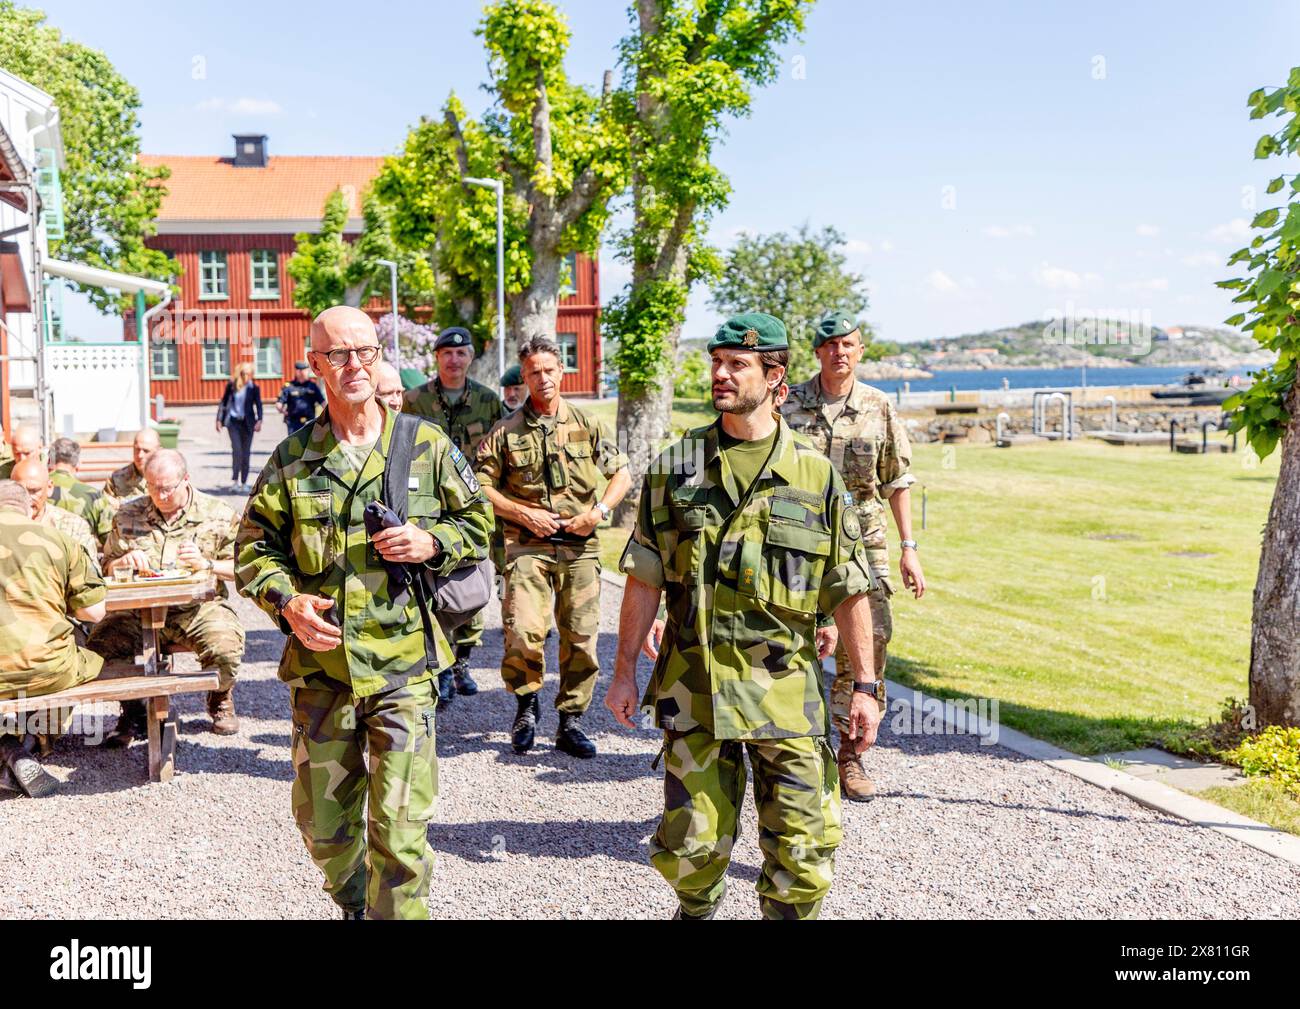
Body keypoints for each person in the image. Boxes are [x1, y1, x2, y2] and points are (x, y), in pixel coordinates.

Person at [606, 312, 881, 921]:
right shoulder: (677, 467)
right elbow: (644, 576)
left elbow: (851, 588)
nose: (721, 375)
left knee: (803, 852)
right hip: (695, 687)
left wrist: (865, 687)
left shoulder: (815, 476)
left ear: (776, 376)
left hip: (786, 696)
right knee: (690, 852)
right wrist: (623, 671)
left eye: (737, 365)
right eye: (716, 363)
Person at [236, 305, 493, 921]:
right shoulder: (295, 457)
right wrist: (287, 601)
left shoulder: (424, 445)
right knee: (325, 832)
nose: (354, 365)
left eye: (365, 352)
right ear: (315, 363)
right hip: (322, 672)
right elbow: (251, 550)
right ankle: (354, 903)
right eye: (339, 355)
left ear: (378, 358)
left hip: (403, 668)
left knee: (401, 835)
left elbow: (478, 524)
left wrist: (433, 542)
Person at [780, 310, 926, 801]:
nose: (840, 352)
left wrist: (909, 549)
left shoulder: (877, 406)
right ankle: (789, 746)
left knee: (869, 642)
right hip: (800, 537)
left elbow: (896, 480)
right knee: (788, 636)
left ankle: (850, 752)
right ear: (817, 351)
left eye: (849, 344)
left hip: (864, 541)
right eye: (830, 345)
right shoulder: (789, 403)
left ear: (860, 351)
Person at [475, 336, 631, 758]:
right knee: (524, 630)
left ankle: (571, 721)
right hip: (527, 546)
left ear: (561, 371)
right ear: (523, 378)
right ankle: (526, 706)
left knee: (580, 637)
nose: (542, 379)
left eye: (548, 370)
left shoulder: (587, 421)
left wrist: (597, 512)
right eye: (533, 373)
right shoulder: (505, 432)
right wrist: (522, 514)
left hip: (580, 546)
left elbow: (622, 475)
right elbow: (480, 486)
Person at [89, 450, 245, 743]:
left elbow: (244, 567)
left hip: (197, 608)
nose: (159, 495)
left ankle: (219, 696)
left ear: (185, 480)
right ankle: (133, 708)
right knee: (99, 648)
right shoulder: (127, 514)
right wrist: (122, 562)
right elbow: (105, 565)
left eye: (166, 488)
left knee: (226, 648)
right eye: (151, 487)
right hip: (137, 609)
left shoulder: (218, 514)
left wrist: (208, 564)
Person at [402, 327, 505, 705]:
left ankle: (462, 661)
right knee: (431, 587)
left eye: (461, 354)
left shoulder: (488, 401)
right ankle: (441, 667)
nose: (454, 360)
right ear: (437, 357)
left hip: (472, 508)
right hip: (429, 508)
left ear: (471, 357)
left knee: (474, 585)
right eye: (447, 353)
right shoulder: (415, 401)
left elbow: (503, 451)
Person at [0, 480, 108, 798]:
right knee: (91, 657)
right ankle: (30, 743)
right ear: (29, 507)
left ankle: (10, 747)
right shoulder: (59, 540)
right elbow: (94, 612)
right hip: (48, 668)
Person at [9, 457, 99, 569]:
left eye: (34, 491)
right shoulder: (4, 525)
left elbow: (91, 575)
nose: (27, 498)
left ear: (50, 488)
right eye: (20, 491)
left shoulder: (73, 526)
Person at [217, 362, 264, 492]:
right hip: (233, 423)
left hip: (248, 423)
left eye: (250, 374)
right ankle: (235, 481)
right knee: (237, 450)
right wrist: (219, 420)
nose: (248, 376)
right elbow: (224, 403)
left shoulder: (254, 388)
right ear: (240, 373)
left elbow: (259, 405)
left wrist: (260, 420)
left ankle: (244, 482)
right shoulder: (232, 386)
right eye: (245, 374)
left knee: (246, 453)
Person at [102, 428, 161, 503]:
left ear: (158, 451)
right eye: (137, 449)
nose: (140, 455)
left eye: (146, 451)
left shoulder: (169, 478)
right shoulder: (116, 479)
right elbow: (104, 508)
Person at [277, 360, 326, 433]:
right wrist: (283, 411)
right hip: (293, 423)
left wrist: (328, 416)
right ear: (297, 371)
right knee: (294, 444)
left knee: (309, 444)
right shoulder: (289, 386)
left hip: (309, 422)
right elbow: (279, 404)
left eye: (306, 370)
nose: (304, 372)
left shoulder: (312, 386)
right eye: (302, 370)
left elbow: (323, 403)